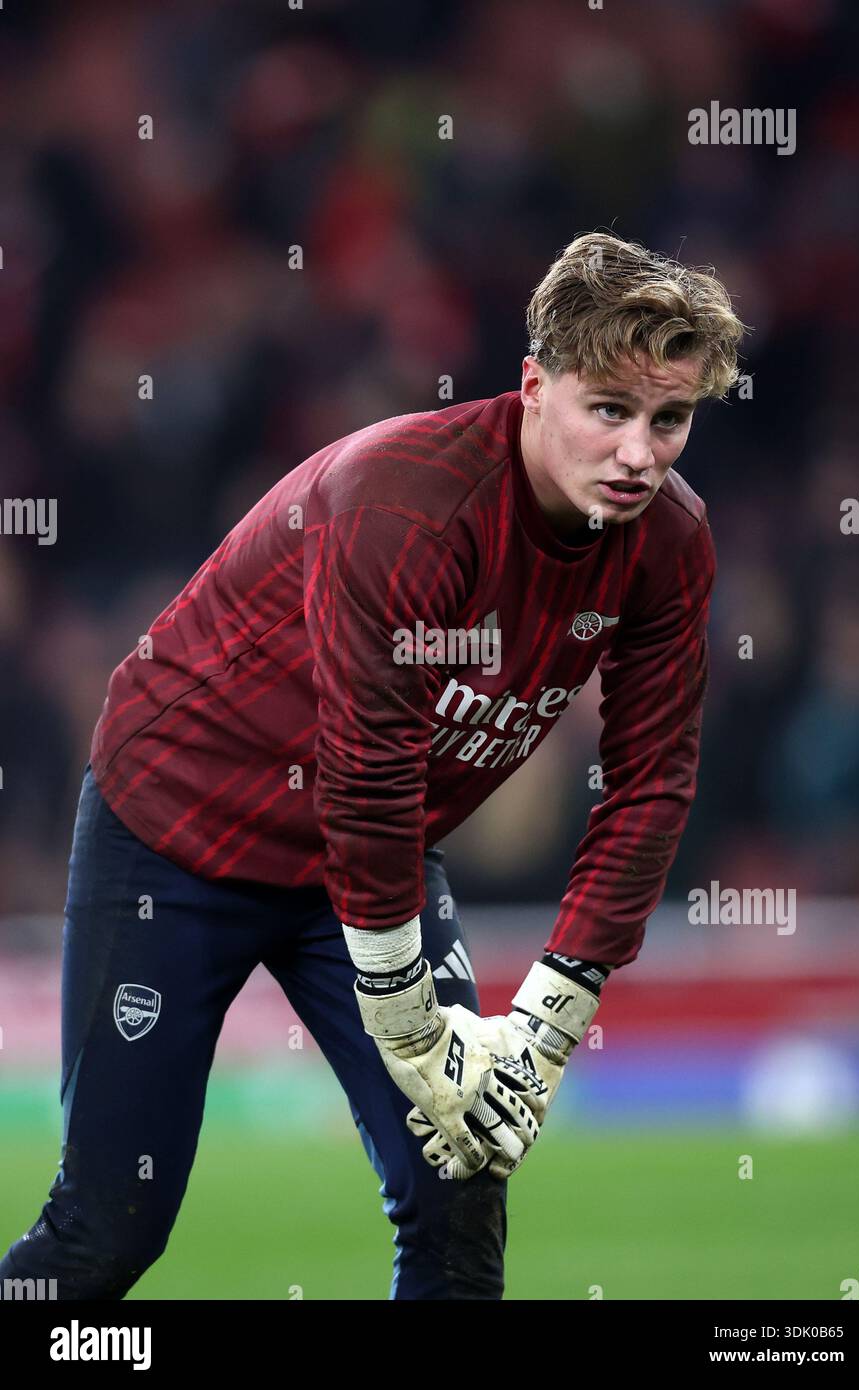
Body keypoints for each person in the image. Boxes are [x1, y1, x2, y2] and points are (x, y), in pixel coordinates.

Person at [0, 231, 745, 1301]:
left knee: (461, 1185)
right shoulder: (404, 500)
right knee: (106, 1232)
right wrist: (409, 1022)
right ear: (533, 387)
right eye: (610, 410)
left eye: (668, 419)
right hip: (172, 839)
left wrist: (546, 1020)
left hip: (367, 861)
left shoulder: (672, 542)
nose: (639, 454)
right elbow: (364, 767)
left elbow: (652, 783)